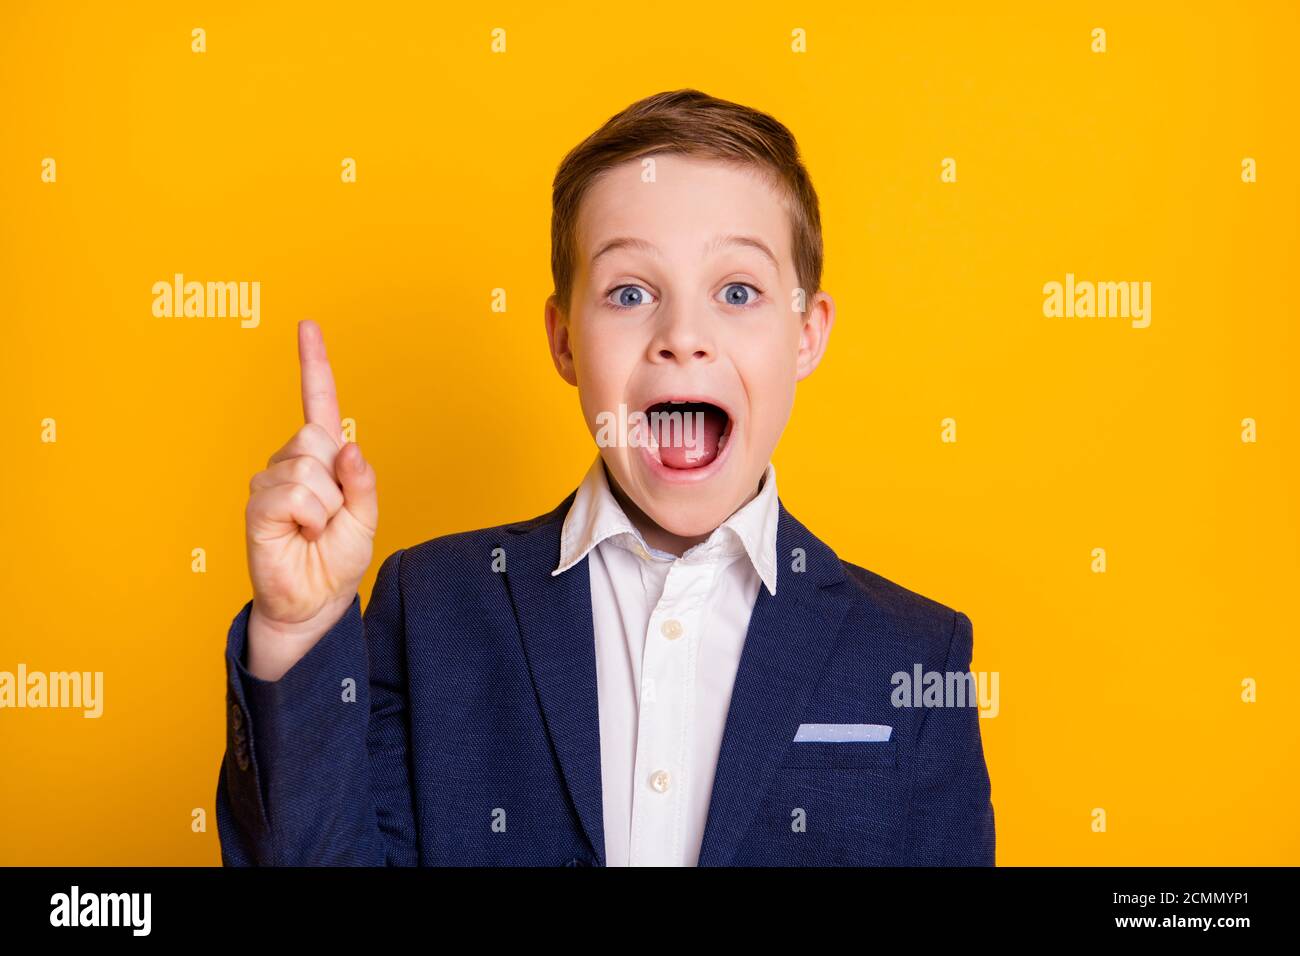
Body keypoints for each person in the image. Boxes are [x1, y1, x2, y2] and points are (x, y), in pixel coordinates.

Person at [216, 88, 995, 866]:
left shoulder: (917, 654)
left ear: (806, 334)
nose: (683, 337)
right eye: (629, 293)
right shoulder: (431, 609)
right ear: (563, 341)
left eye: (737, 292)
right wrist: (295, 633)